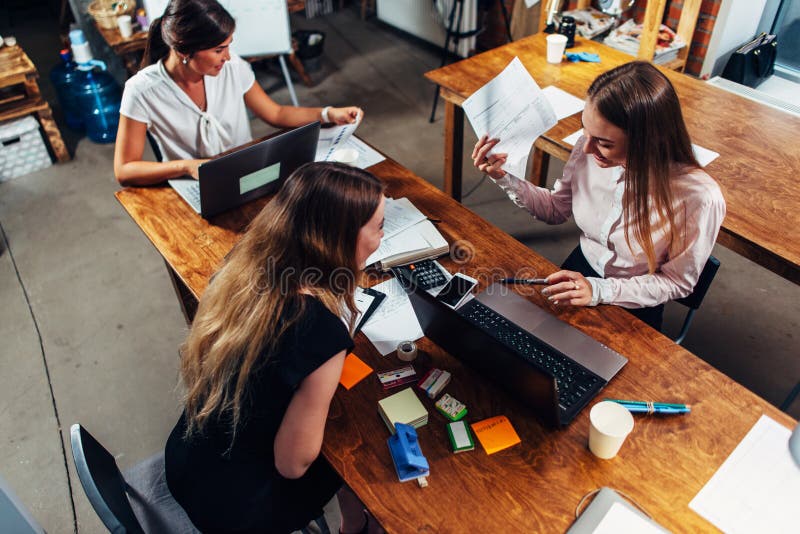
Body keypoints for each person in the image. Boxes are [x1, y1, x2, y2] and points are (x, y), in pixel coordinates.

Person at [165, 161, 385, 533]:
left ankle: (353, 521)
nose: (382, 236)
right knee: (366, 458)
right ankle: (357, 526)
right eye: (378, 227)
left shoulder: (244, 268)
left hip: (188, 460)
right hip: (238, 510)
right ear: (340, 238)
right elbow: (292, 464)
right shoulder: (321, 333)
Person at [472, 61, 725, 331]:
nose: (587, 147)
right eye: (585, 130)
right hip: (578, 269)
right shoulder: (588, 145)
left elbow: (677, 281)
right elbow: (556, 210)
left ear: (648, 141)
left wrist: (599, 290)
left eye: (604, 143)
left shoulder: (698, 197)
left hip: (635, 299)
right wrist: (505, 176)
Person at [114, 0, 362, 187]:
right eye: (219, 49)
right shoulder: (142, 90)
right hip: (192, 186)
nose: (228, 57)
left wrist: (328, 113)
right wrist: (187, 167)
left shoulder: (233, 68)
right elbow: (125, 169)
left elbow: (275, 112)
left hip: (246, 175)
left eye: (229, 46)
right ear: (184, 52)